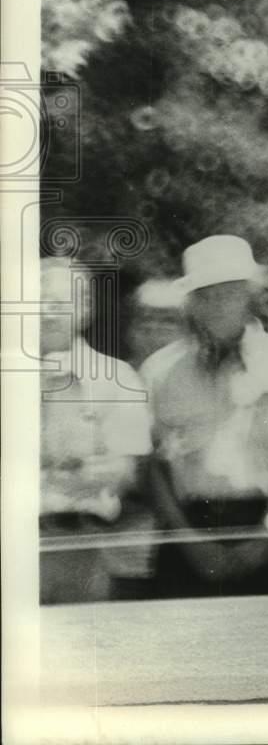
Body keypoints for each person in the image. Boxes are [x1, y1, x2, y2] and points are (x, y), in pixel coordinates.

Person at [141, 235, 268, 597]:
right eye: (205, 295)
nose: (217, 305)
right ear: (191, 303)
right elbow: (153, 467)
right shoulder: (160, 371)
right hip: (187, 532)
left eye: (228, 292)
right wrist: (188, 541)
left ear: (250, 295)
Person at [39, 258, 152, 603]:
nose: (45, 313)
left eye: (58, 304)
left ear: (85, 309)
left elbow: (122, 472)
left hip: (84, 546)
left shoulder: (117, 379)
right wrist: (72, 467)